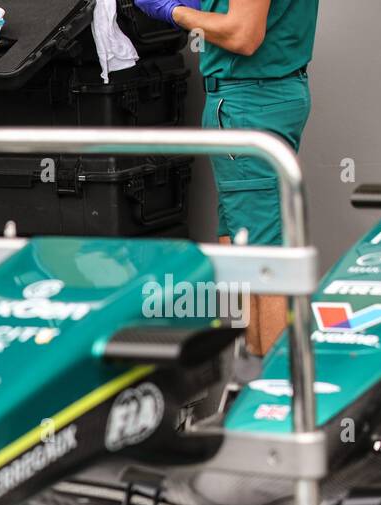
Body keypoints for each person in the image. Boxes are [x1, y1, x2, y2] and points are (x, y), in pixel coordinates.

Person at [134, 0, 320, 356]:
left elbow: (243, 35)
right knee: (241, 246)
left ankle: (276, 396)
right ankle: (250, 381)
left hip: (249, 100)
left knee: (264, 260)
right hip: (256, 96)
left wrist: (172, 11)